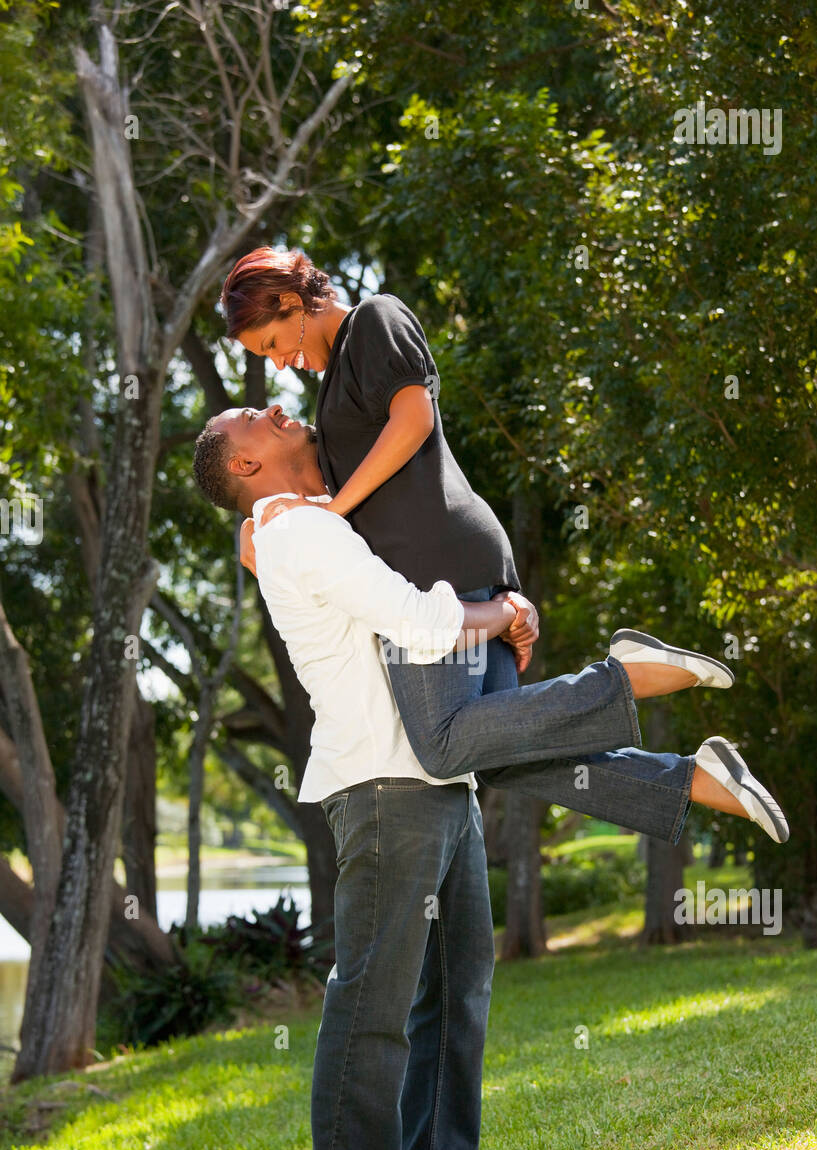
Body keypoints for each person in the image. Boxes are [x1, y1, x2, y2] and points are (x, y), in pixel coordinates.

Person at [192, 408, 786, 1150]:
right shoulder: (295, 534)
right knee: (373, 1004)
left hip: (440, 775)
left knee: (457, 985)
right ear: (247, 465)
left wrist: (493, 615)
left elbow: (376, 578)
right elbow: (411, 617)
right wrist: (497, 612)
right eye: (255, 418)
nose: (279, 409)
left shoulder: (303, 524)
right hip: (383, 784)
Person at [217, 249, 787, 846]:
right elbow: (327, 489)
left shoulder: (375, 320)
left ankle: (626, 675)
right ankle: (698, 780)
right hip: (445, 567)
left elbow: (412, 421)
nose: (281, 362)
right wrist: (259, 523)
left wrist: (332, 508)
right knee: (500, 752)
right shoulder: (334, 383)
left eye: (272, 343)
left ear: (288, 304)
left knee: (440, 745)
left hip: (432, 566)